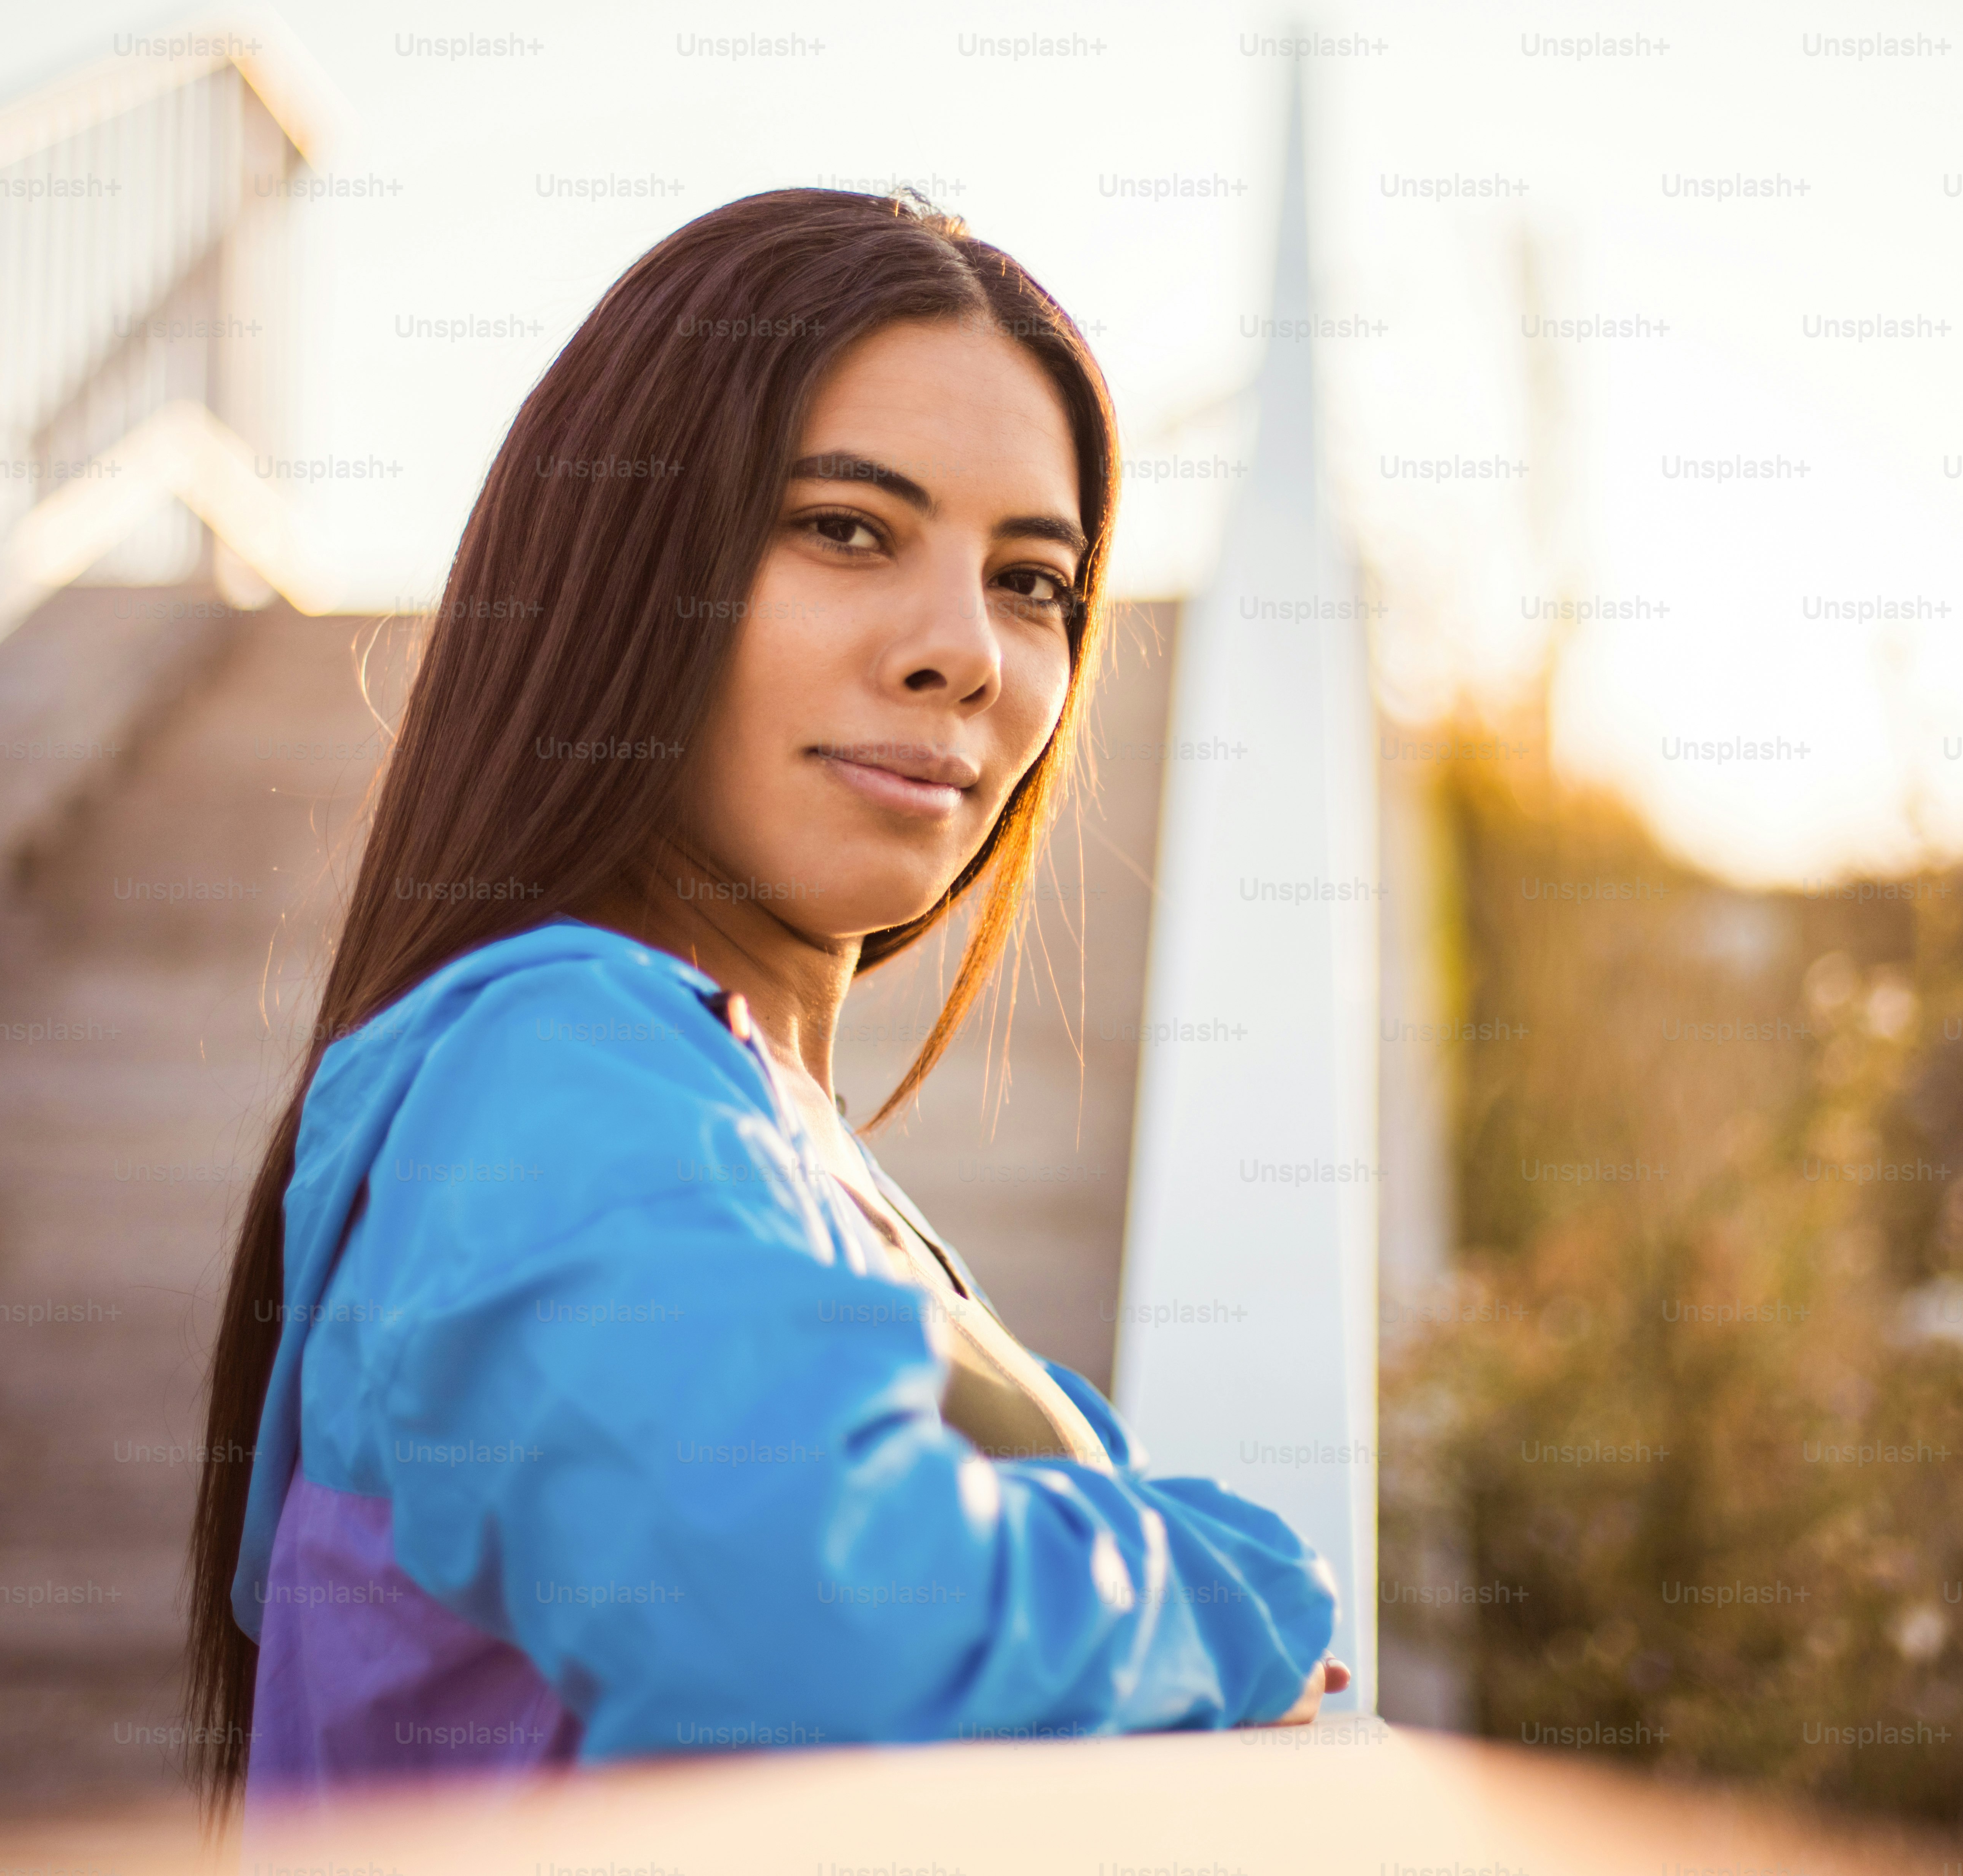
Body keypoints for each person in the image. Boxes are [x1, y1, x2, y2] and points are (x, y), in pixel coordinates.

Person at [185, 188, 1344, 1817]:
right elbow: (817, 1618)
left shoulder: (745, 1136)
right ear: (620, 566)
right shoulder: (549, 1074)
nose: (967, 653)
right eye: (848, 529)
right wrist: (1233, 1591)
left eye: (1033, 581)